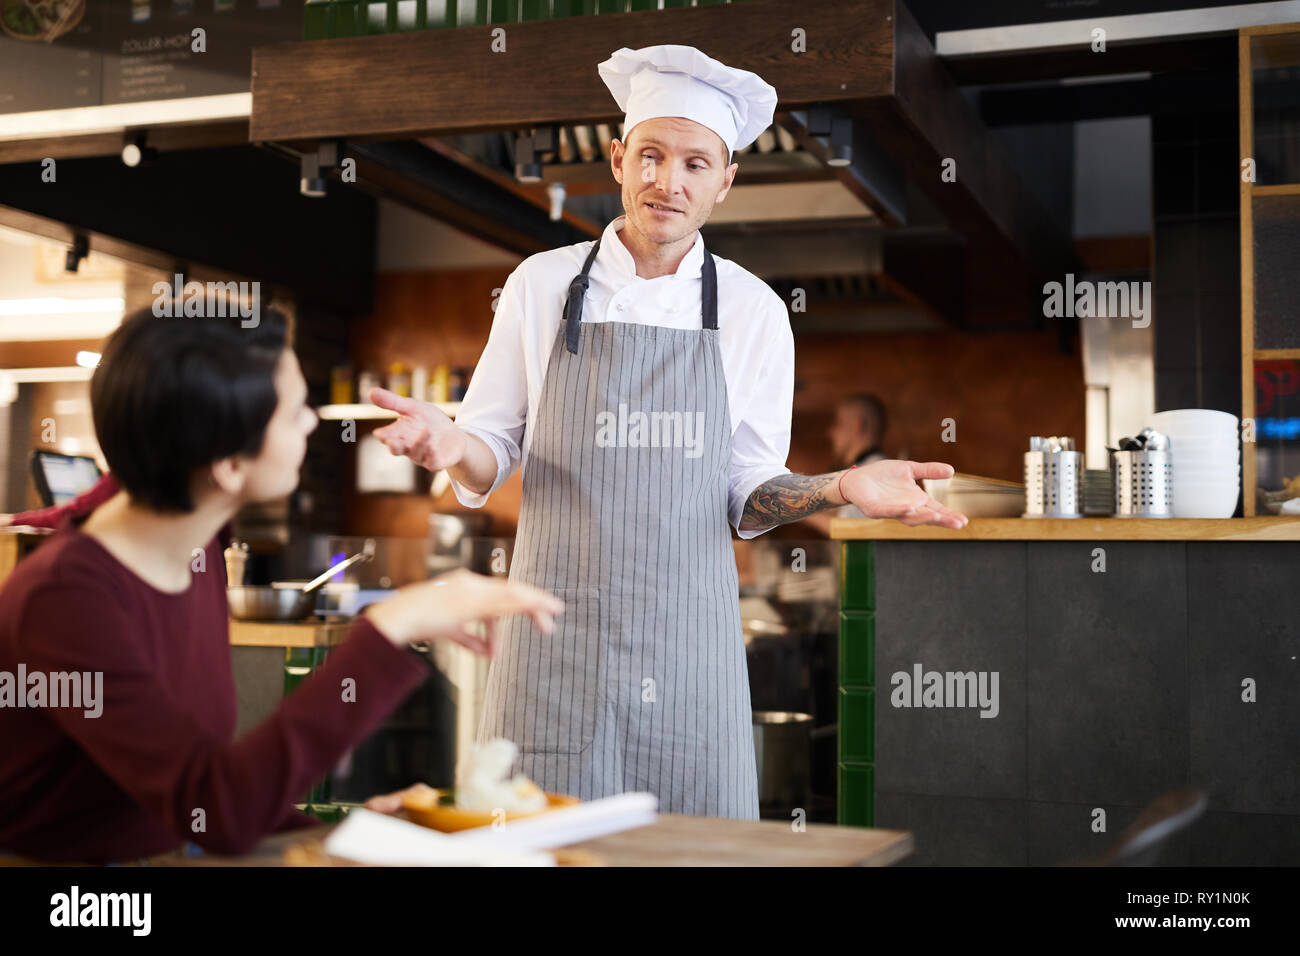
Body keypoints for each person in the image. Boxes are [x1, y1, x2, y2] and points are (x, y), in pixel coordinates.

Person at [365, 44, 968, 820]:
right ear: (619, 159)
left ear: (725, 179)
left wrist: (839, 487)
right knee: (543, 845)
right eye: (650, 155)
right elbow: (489, 447)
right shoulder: (540, 285)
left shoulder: (754, 313)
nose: (667, 181)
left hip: (688, 656)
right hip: (554, 648)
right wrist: (450, 444)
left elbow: (749, 493)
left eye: (694, 163)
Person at [0, 307, 562, 863]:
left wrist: (353, 831)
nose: (312, 422)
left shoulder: (196, 544)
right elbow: (215, 809)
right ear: (227, 465)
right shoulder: (67, 600)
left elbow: (196, 789)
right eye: (294, 411)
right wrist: (393, 625)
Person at [803, 393, 891, 534]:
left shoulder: (875, 471)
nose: (830, 432)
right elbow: (842, 515)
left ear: (857, 425)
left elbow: (849, 529)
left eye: (838, 423)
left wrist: (795, 510)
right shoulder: (864, 469)